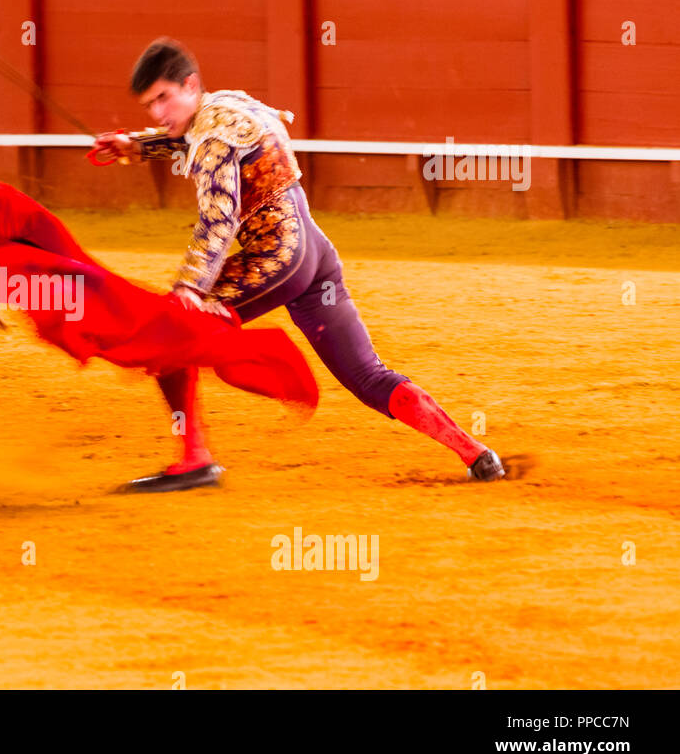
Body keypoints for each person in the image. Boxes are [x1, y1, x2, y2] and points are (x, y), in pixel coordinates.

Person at [92, 37, 505, 492]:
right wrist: (135, 146)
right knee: (365, 373)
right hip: (313, 252)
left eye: (163, 99)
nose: (157, 113)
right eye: (150, 105)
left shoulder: (210, 134)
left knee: (172, 326)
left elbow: (218, 216)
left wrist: (191, 286)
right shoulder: (227, 106)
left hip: (276, 257)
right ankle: (477, 453)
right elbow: (189, 137)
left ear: (189, 85)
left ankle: (193, 461)